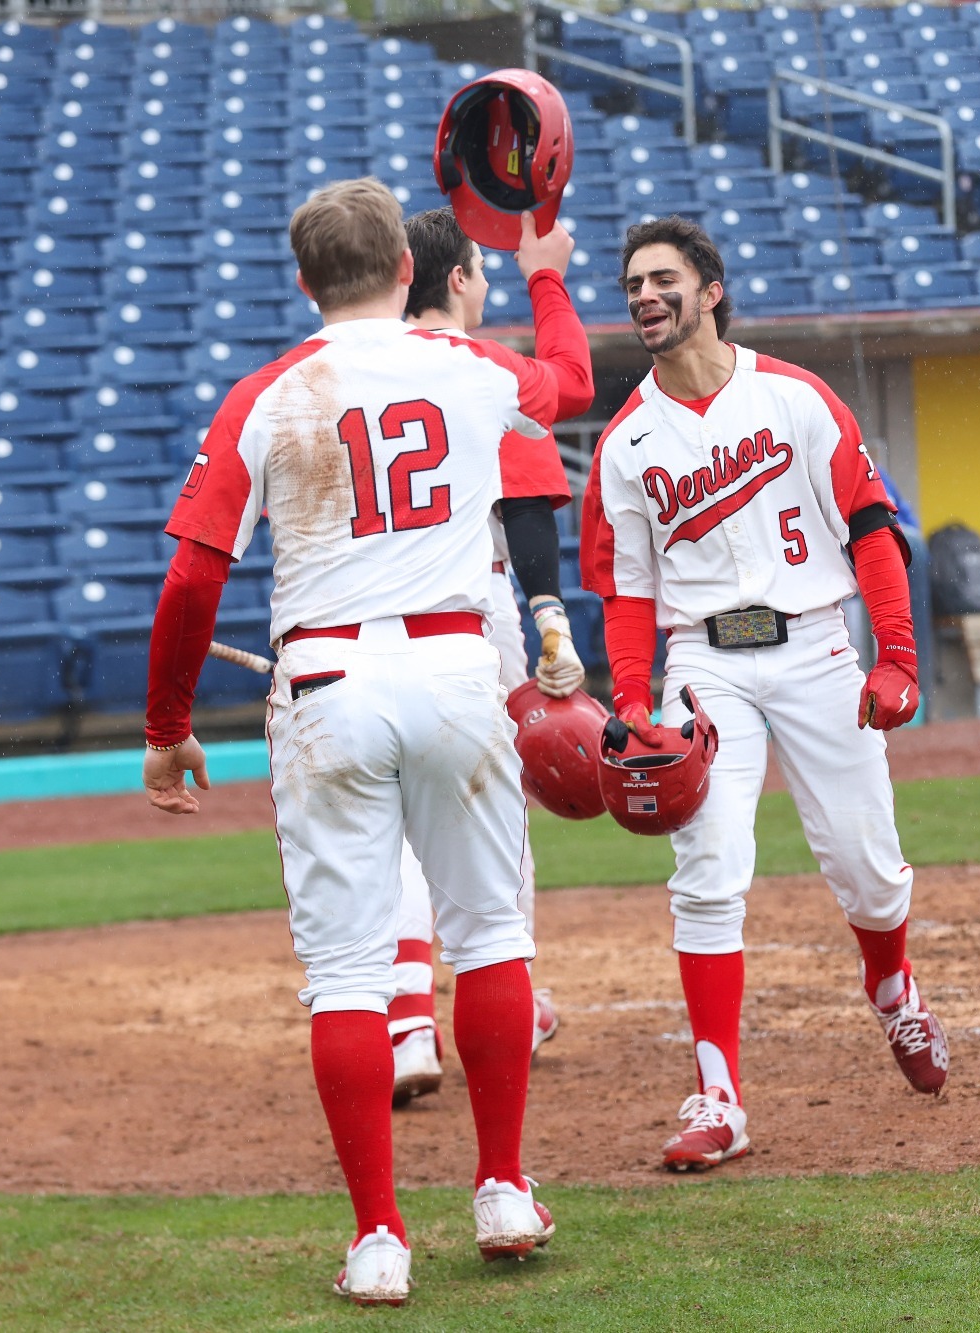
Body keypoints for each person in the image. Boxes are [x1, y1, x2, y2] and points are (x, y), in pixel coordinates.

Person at [141, 179, 590, 1303]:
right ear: (407, 266)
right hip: (451, 669)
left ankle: (379, 1239)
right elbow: (573, 385)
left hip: (327, 681)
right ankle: (498, 1188)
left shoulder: (267, 391)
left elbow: (194, 574)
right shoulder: (470, 368)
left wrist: (167, 728)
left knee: (345, 975)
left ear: (303, 281)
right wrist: (542, 269)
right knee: (488, 939)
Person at [580, 215, 947, 1173]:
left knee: (868, 870)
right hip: (704, 661)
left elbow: (872, 528)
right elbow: (625, 590)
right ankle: (720, 1096)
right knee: (708, 867)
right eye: (632, 285)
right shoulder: (626, 442)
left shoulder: (794, 396)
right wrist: (630, 697)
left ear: (710, 291)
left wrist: (895, 656)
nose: (644, 296)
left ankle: (894, 990)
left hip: (819, 645)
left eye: (663, 279)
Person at [386, 206, 592, 1105]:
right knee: (489, 811)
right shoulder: (486, 374)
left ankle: (402, 1018)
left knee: (384, 818)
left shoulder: (335, 371)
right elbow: (542, 474)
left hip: (357, 619)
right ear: (462, 278)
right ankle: (509, 996)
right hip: (470, 613)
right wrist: (544, 271)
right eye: (479, 268)